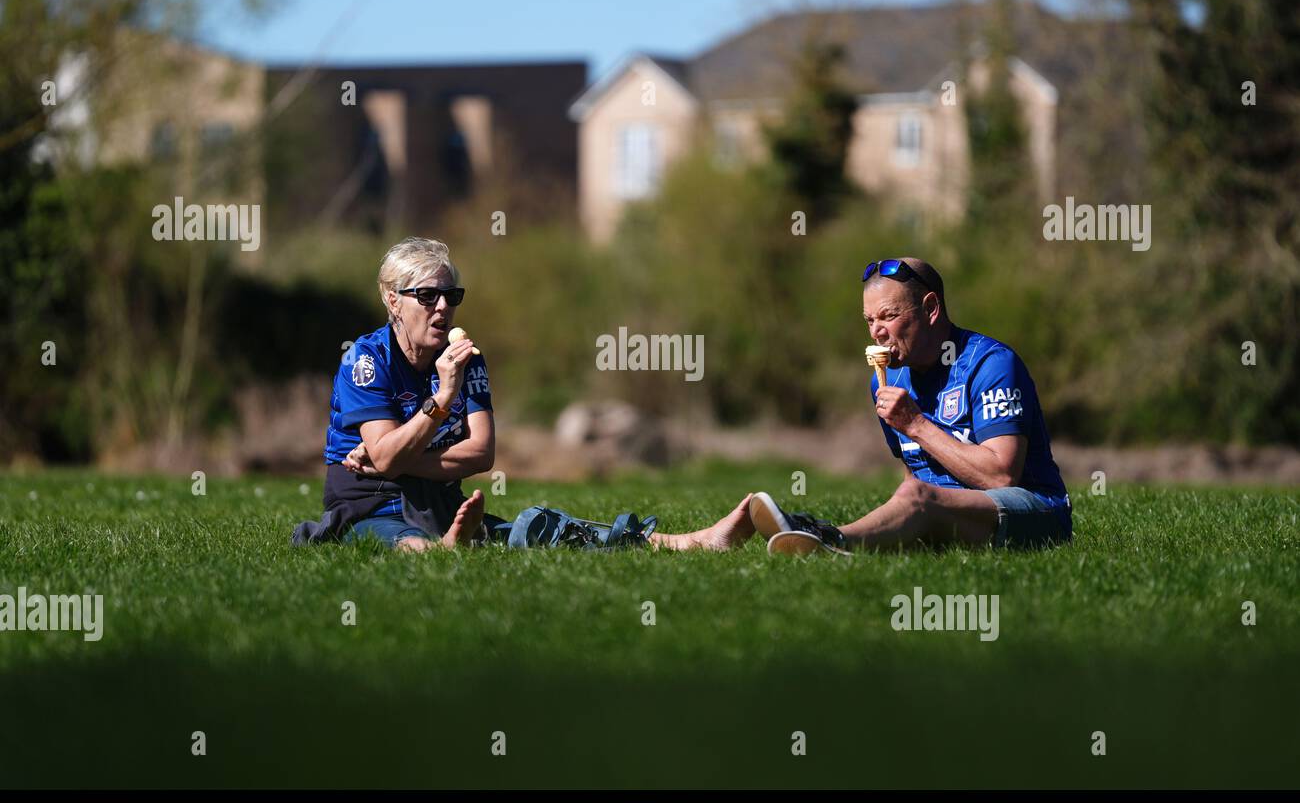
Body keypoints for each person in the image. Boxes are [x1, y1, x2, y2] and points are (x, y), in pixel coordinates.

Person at [292, 236, 755, 551]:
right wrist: (441, 400)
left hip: (436, 499)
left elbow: (480, 454)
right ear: (393, 299)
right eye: (427, 296)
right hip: (370, 499)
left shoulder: (467, 359)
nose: (442, 308)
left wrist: (392, 456)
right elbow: (393, 462)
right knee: (396, 541)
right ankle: (442, 550)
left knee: (540, 526)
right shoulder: (366, 361)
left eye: (452, 296)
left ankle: (685, 542)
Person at [748, 257, 1073, 555]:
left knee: (917, 496)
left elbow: (1002, 476)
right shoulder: (885, 380)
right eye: (869, 320)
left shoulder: (991, 364)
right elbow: (914, 468)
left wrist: (916, 425)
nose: (877, 331)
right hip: (948, 514)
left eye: (888, 316)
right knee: (914, 493)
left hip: (1033, 513)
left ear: (930, 308)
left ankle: (830, 540)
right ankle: (706, 539)